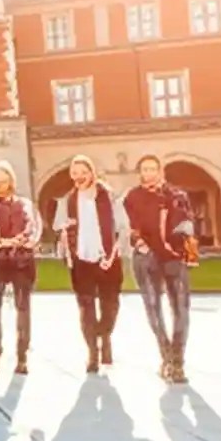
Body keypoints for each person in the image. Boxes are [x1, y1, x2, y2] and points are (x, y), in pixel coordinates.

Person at [124, 154, 198, 384]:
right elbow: (130, 224)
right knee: (153, 309)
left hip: (173, 257)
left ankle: (178, 361)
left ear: (160, 170)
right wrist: (138, 242)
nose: (148, 173)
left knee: (181, 310)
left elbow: (188, 224)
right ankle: (166, 356)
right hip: (146, 257)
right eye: (144, 169)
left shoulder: (177, 196)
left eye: (152, 169)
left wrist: (188, 250)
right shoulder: (133, 197)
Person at [53, 154, 128, 374]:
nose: (78, 177)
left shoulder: (108, 196)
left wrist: (115, 251)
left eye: (83, 172)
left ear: (91, 172)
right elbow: (58, 225)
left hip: (107, 258)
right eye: (74, 173)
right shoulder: (68, 200)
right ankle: (92, 354)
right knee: (86, 307)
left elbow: (122, 225)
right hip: (81, 258)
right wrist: (65, 225)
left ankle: (104, 336)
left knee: (110, 305)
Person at [0, 160, 42, 374]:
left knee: (23, 307)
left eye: (2, 181)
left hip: (21, 261)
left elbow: (31, 229)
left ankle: (22, 355)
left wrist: (12, 242)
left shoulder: (24, 204)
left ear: (11, 182)